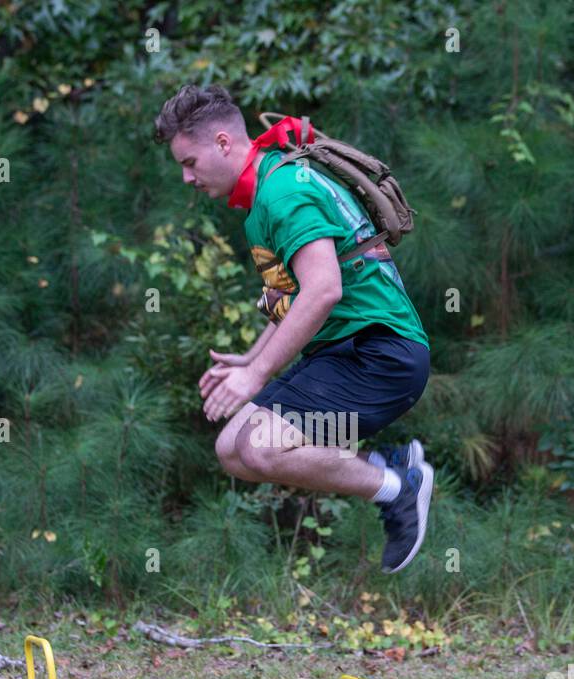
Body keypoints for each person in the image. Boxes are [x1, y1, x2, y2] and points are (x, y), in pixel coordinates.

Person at [152, 84, 433, 573]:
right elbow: (296, 296)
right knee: (233, 450)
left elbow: (324, 290)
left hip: (380, 355)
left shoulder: (283, 191)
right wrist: (250, 358)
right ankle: (393, 468)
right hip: (341, 353)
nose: (185, 177)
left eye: (190, 162)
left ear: (223, 143)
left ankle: (396, 487)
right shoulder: (265, 195)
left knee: (260, 447)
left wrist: (257, 374)